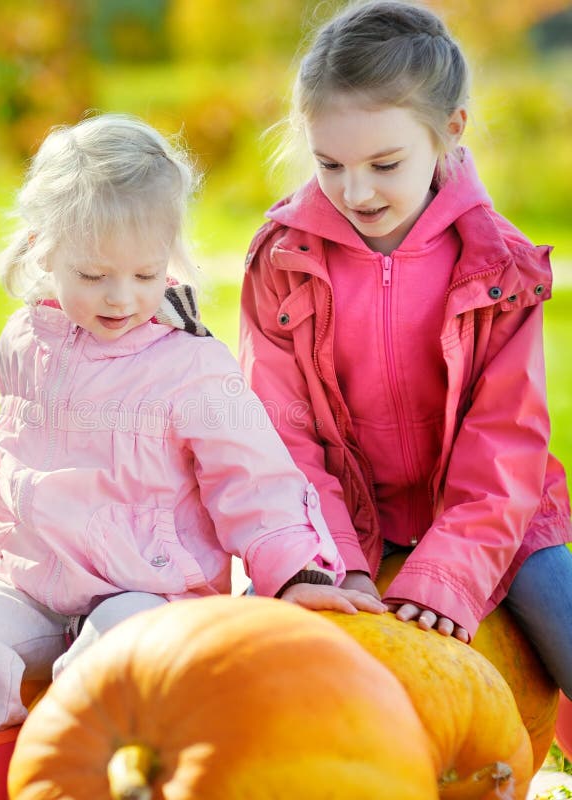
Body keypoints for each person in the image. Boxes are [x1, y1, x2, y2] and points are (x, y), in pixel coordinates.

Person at [0, 113, 385, 800]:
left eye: (145, 273)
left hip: (149, 592)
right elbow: (21, 436)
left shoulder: (192, 370)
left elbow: (254, 481)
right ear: (45, 251)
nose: (121, 296)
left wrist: (293, 572)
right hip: (40, 580)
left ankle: (74, 785)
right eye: (94, 273)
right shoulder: (26, 340)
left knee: (102, 667)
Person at [240, 0, 572, 700]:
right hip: (338, 520)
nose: (355, 191)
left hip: (491, 522)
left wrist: (449, 570)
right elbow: (281, 433)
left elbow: (506, 440)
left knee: (563, 616)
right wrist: (329, 559)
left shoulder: (499, 265)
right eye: (329, 163)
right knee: (247, 678)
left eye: (384, 164)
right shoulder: (283, 260)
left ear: (449, 130)